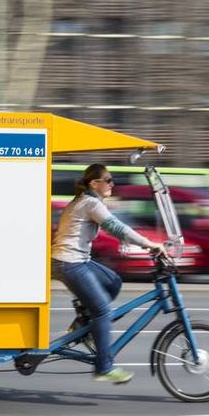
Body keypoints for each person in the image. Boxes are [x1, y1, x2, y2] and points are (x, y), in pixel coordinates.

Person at [52, 163, 166, 384]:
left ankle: (83, 323)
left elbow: (114, 229)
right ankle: (104, 368)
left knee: (113, 281)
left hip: (76, 260)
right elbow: (116, 228)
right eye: (109, 180)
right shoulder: (90, 203)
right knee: (103, 311)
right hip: (70, 263)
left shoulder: (87, 201)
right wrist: (149, 244)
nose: (113, 184)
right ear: (95, 183)